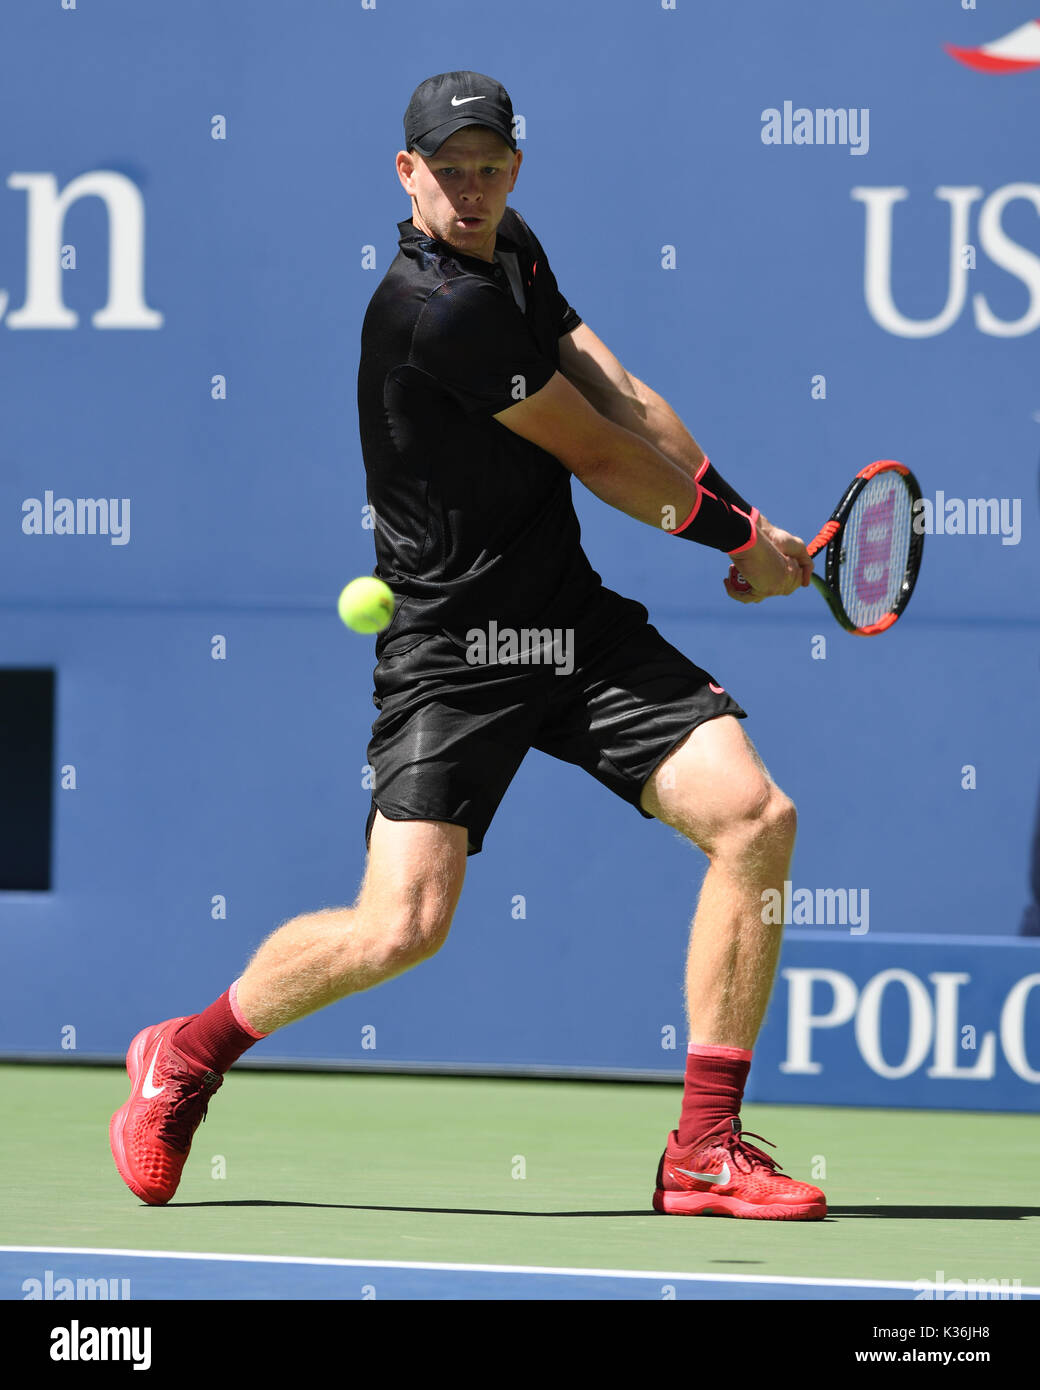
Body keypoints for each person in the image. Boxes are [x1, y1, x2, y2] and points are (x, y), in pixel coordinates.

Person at [110, 70, 825, 1220]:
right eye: (450, 168)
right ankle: (184, 1053)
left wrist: (746, 523)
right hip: (455, 645)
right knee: (402, 928)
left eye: (492, 166)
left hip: (569, 618)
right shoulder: (434, 307)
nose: (473, 186)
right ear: (407, 174)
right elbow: (594, 454)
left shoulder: (513, 249)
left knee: (754, 817)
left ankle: (702, 1148)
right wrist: (737, 540)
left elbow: (622, 394)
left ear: (516, 169)